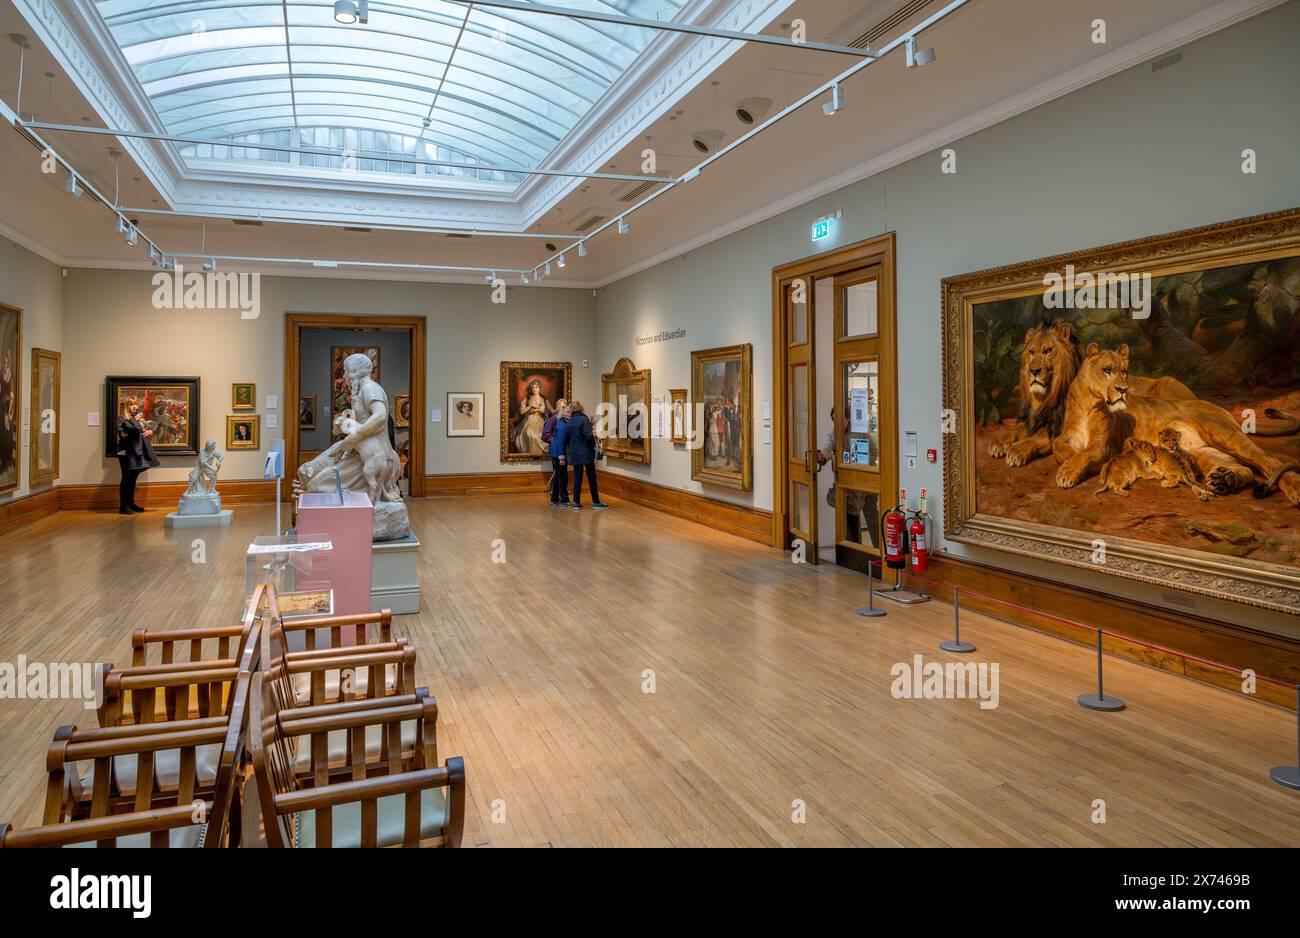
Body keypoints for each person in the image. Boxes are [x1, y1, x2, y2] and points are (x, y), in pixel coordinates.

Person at [116, 401, 160, 514]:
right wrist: (135, 420)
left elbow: (141, 431)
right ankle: (123, 506)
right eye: (131, 404)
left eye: (136, 404)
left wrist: (150, 432)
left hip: (137, 452)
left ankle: (131, 504)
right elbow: (124, 434)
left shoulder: (137, 419)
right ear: (126, 406)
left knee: (133, 478)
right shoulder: (121, 418)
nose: (134, 406)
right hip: (125, 452)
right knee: (126, 478)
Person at [565, 401, 608, 510]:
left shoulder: (569, 422)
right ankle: (596, 502)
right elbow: (588, 436)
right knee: (591, 477)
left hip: (574, 452)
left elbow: (569, 438)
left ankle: (576, 501)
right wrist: (594, 440)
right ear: (581, 408)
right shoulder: (584, 419)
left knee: (577, 476)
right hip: (586, 452)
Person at [545, 399, 570, 507]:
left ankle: (555, 499)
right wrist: (556, 441)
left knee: (559, 475)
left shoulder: (565, 419)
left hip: (562, 450)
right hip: (557, 451)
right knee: (561, 475)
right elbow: (546, 435)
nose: (565, 408)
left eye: (566, 406)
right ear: (557, 407)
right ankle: (562, 499)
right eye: (563, 407)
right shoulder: (554, 419)